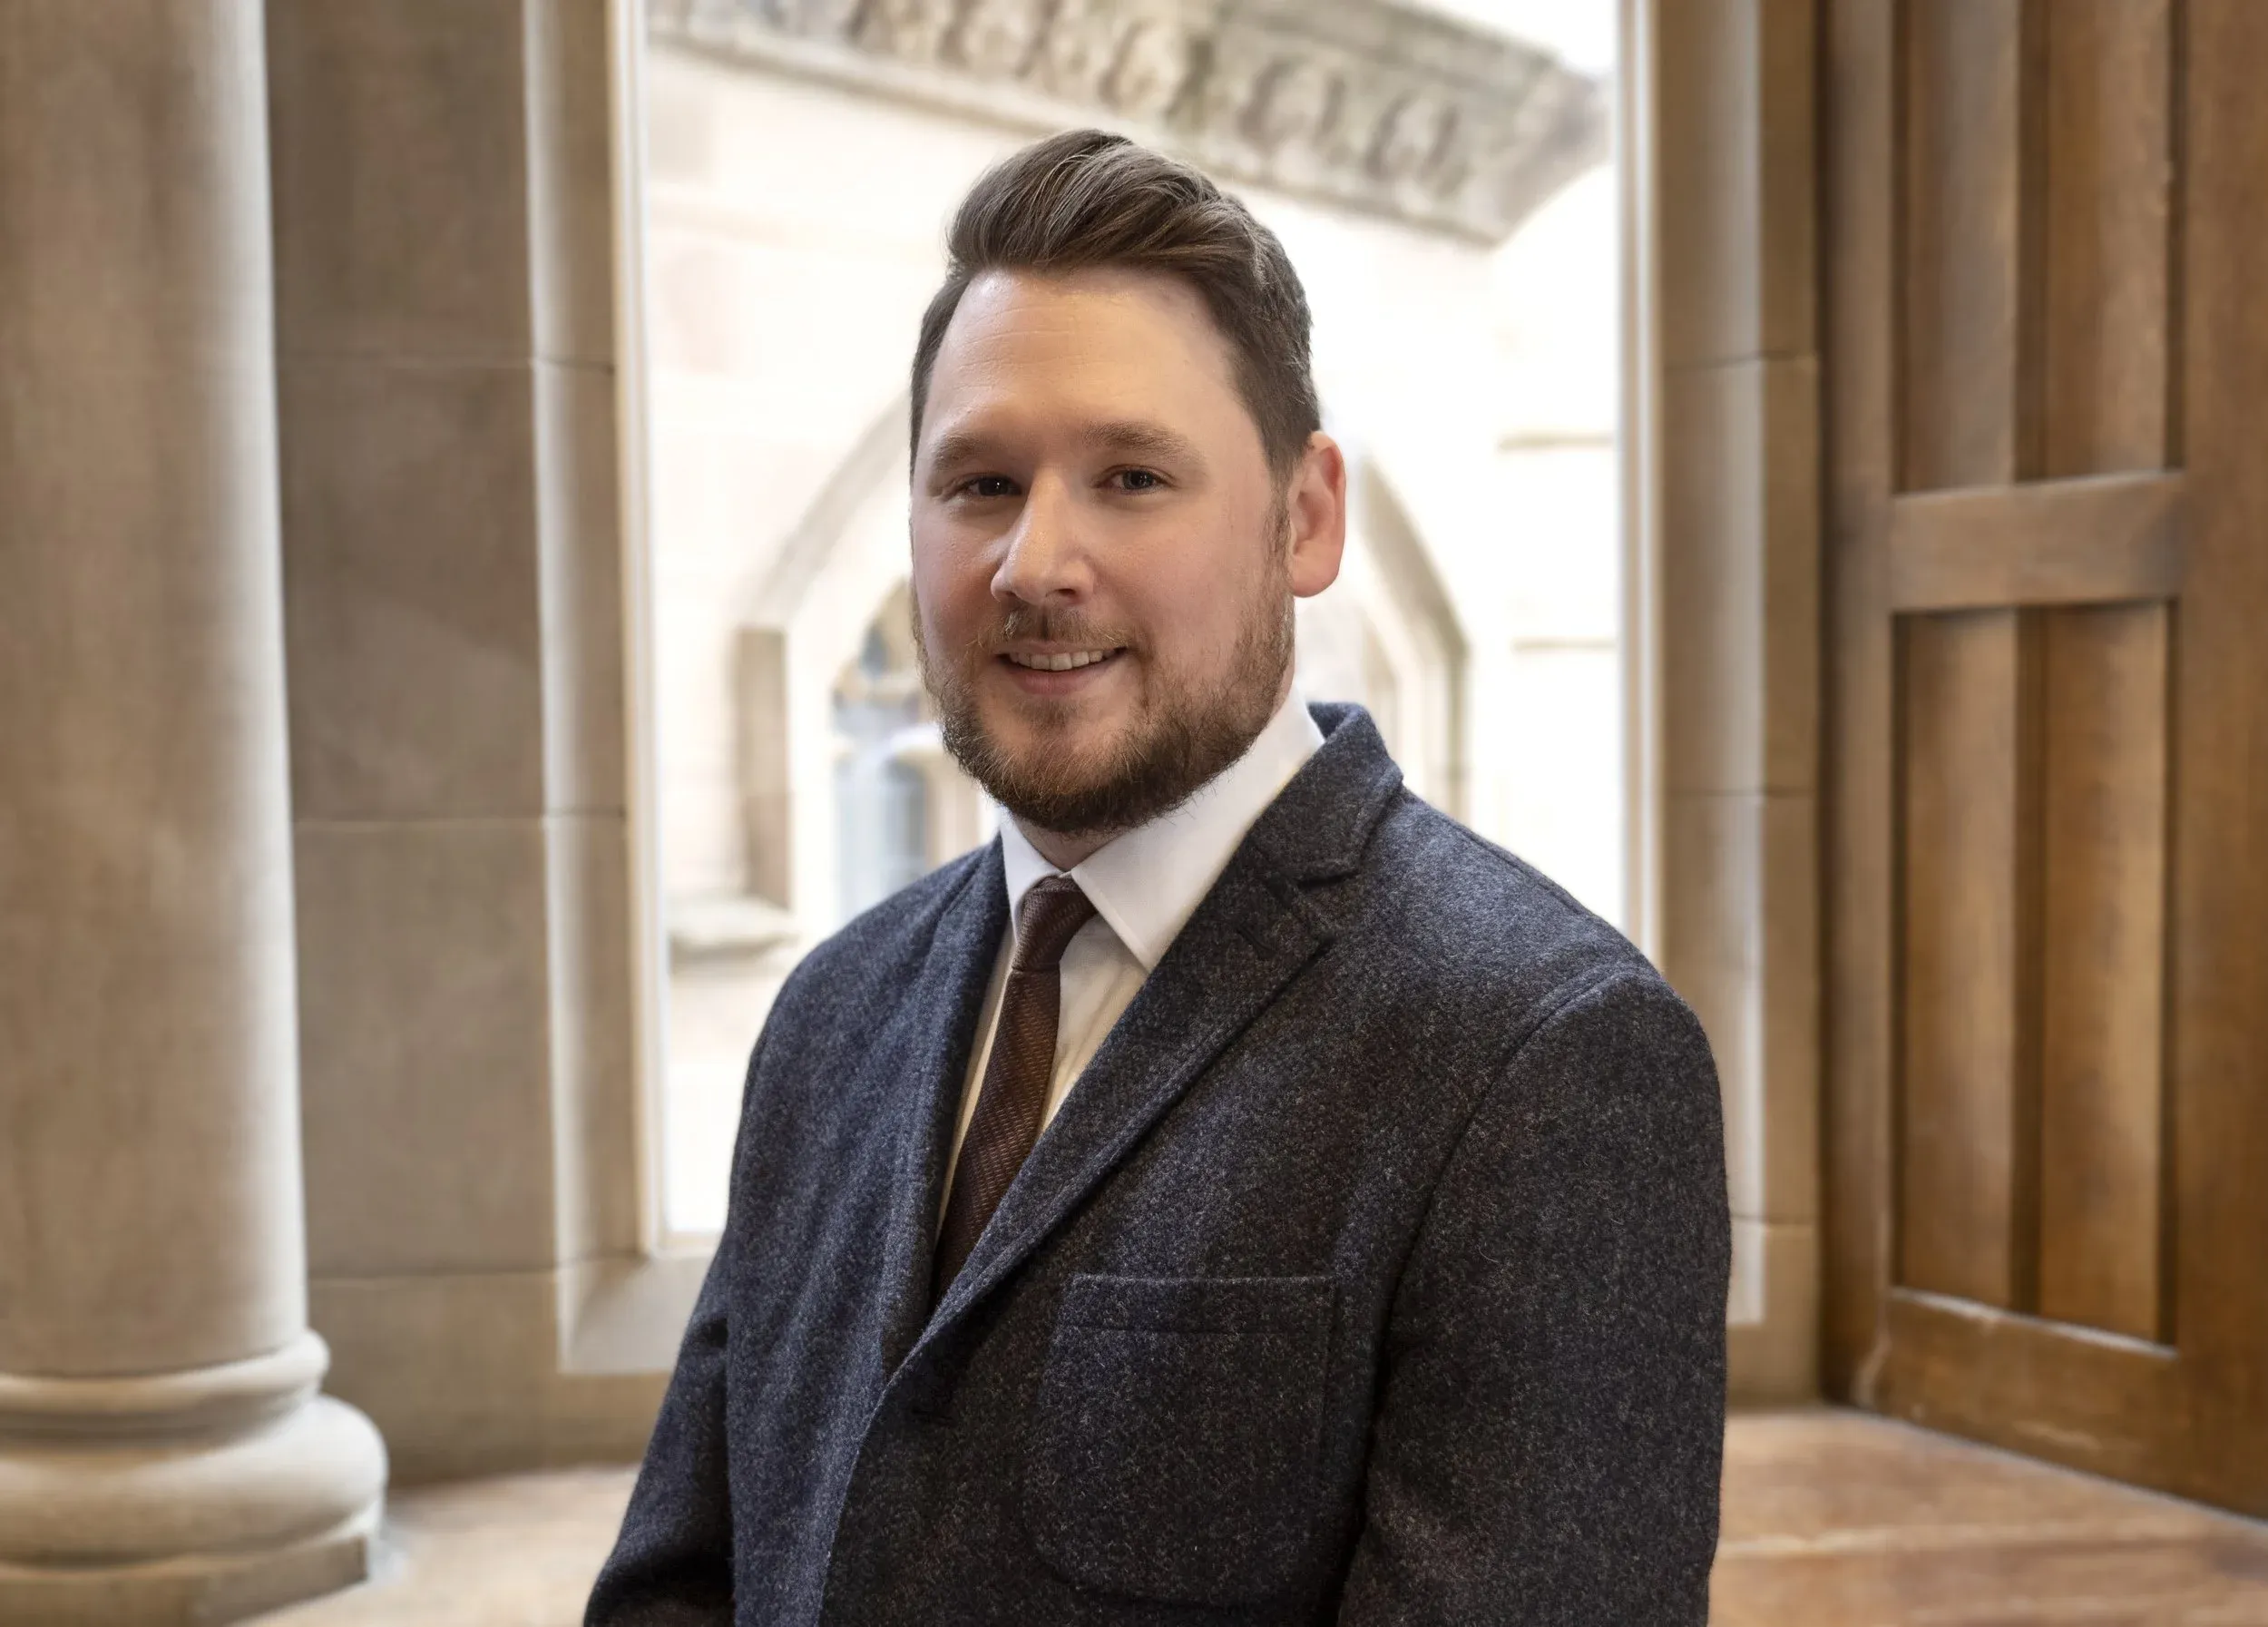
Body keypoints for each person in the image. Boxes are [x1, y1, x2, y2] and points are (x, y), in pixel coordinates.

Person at [587, 128, 1728, 1626]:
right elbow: (683, 1585)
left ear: (1305, 519)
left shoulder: (1546, 1058)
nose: (1035, 564)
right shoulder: (831, 1009)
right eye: (981, 483)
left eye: (1131, 477)